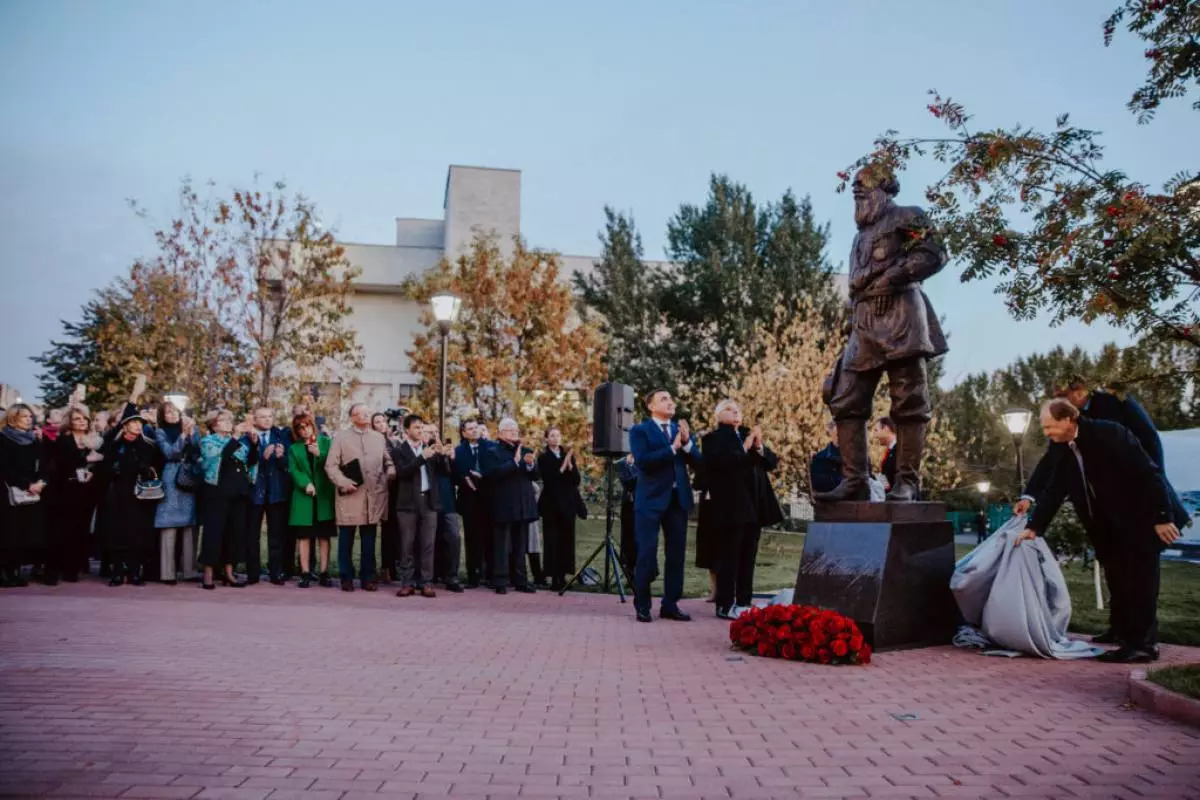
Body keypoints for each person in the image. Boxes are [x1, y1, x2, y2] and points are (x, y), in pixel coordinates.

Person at [1016, 375, 1188, 643]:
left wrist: (1162, 516)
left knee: (1140, 582)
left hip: (1141, 517)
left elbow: (1149, 473)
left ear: (1068, 419)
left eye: (1049, 427)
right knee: (1118, 579)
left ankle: (1141, 645)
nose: (1046, 434)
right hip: (1107, 524)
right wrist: (1034, 527)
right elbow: (1055, 490)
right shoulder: (1066, 449)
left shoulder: (1111, 431)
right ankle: (1120, 631)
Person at [815, 167, 948, 502]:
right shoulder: (860, 234)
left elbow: (934, 253)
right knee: (845, 399)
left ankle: (906, 482)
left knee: (909, 401)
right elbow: (856, 285)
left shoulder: (909, 215)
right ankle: (855, 481)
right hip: (864, 322)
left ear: (885, 187)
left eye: (865, 182)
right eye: (855, 184)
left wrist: (894, 276)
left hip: (901, 313)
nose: (857, 187)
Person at [701, 400, 782, 619]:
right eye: (729, 409)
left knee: (749, 556)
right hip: (731, 506)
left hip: (755, 506)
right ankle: (725, 604)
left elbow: (771, 462)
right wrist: (744, 448)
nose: (736, 412)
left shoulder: (748, 435)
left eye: (738, 409)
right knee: (729, 556)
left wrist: (759, 447)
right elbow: (723, 464)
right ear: (718, 415)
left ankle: (744, 602)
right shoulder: (712, 439)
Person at [629, 389, 700, 623]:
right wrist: (672, 449)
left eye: (671, 398)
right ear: (651, 406)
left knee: (676, 554)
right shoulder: (640, 431)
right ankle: (642, 604)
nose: (670, 402)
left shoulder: (681, 432)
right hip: (649, 501)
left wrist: (688, 444)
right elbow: (643, 462)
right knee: (647, 553)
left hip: (677, 500)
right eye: (663, 399)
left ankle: (670, 604)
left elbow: (699, 463)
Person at [325, 403, 395, 592]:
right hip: (350, 495)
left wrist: (391, 470)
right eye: (362, 413)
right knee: (346, 540)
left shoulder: (379, 438)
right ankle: (346, 577)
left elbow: (387, 460)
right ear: (352, 417)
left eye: (368, 412)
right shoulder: (341, 438)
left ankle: (368, 578)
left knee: (369, 541)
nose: (366, 415)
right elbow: (331, 466)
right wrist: (343, 482)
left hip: (373, 497)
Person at [98, 408, 162, 586]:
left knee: (138, 534)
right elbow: (104, 466)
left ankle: (134, 572)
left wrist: (144, 468)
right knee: (118, 533)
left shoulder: (148, 445)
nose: (138, 426)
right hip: (118, 493)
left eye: (140, 423)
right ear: (124, 426)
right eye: (133, 422)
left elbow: (155, 465)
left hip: (140, 494)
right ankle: (117, 571)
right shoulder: (115, 444)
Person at [481, 417, 539, 594]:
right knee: (501, 544)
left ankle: (520, 579)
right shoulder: (492, 451)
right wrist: (514, 462)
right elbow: (492, 474)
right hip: (503, 505)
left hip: (522, 505)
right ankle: (500, 580)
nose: (514, 433)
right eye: (509, 430)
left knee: (520, 544)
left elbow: (535, 475)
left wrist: (530, 465)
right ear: (500, 433)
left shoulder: (526, 450)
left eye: (515, 430)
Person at [197, 410, 254, 590]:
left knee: (234, 533)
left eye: (230, 419)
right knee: (213, 532)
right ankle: (208, 573)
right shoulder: (208, 441)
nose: (229, 422)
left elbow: (249, 461)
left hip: (238, 494)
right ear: (214, 424)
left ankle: (229, 572)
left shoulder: (238, 443)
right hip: (217, 493)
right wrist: (236, 437)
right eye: (224, 420)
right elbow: (221, 456)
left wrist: (255, 444)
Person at [48, 406, 102, 583]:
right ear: (69, 422)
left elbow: (101, 462)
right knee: (61, 531)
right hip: (64, 490)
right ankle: (54, 570)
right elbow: (62, 463)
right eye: (77, 419)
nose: (81, 422)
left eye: (84, 419)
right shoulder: (63, 440)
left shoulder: (93, 440)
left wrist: (92, 471)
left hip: (86, 491)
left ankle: (72, 569)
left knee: (80, 531)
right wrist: (85, 459)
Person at [0, 403, 48, 587]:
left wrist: (42, 482)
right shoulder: (3, 439)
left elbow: (42, 463)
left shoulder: (33, 439)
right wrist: (25, 484)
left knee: (25, 533)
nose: (29, 419)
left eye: (30, 416)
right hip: (9, 492)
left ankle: (17, 569)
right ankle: (6, 571)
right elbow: (4, 467)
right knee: (9, 533)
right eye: (24, 416)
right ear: (13, 418)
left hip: (32, 492)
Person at [392, 414, 440, 598]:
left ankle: (426, 582)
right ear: (407, 431)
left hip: (429, 500)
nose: (420, 431)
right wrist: (421, 457)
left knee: (428, 543)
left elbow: (443, 471)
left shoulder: (429, 449)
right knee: (407, 544)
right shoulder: (399, 450)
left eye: (421, 427)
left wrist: (445, 456)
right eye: (416, 428)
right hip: (407, 503)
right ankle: (407, 583)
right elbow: (403, 472)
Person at [153, 400, 199, 585]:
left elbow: (197, 450)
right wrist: (183, 435)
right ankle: (167, 572)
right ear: (162, 416)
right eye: (167, 412)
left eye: (175, 411)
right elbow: (170, 453)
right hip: (171, 478)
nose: (172, 415)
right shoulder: (160, 432)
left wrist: (192, 433)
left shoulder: (192, 429)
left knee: (190, 525)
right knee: (168, 524)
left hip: (189, 477)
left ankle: (189, 570)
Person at [243, 407, 291, 585]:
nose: (267, 420)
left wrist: (280, 457)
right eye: (262, 417)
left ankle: (275, 572)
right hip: (254, 492)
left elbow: (288, 464)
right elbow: (245, 463)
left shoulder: (281, 436)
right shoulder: (247, 437)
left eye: (270, 416)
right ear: (254, 420)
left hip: (276, 493)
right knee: (252, 535)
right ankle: (253, 573)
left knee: (276, 535)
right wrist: (262, 456)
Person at [287, 414, 335, 588]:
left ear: (313, 426)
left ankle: (323, 573)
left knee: (324, 537)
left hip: (323, 496)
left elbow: (331, 466)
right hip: (303, 498)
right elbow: (293, 470)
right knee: (304, 537)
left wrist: (319, 455)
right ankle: (305, 573)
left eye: (307, 426)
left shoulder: (326, 443)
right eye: (300, 427)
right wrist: (305, 483)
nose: (304, 430)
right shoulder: (294, 448)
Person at [538, 426, 584, 591]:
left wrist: (570, 467)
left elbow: (576, 480)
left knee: (566, 540)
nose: (556, 438)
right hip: (551, 505)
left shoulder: (568, 456)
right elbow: (550, 480)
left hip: (567, 504)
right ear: (546, 439)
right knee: (552, 540)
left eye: (558, 435)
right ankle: (553, 576)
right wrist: (563, 467)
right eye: (552, 435)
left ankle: (563, 575)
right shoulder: (543, 458)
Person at [425, 423, 462, 592]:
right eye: (429, 432)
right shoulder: (421, 451)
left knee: (453, 538)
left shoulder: (446, 452)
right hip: (427, 503)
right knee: (429, 541)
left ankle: (451, 576)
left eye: (435, 432)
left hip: (447, 503)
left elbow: (456, 476)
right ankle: (430, 576)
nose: (433, 434)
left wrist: (451, 459)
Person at [454, 420, 490, 588]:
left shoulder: (490, 447)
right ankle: (472, 574)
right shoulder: (459, 451)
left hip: (488, 498)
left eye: (476, 428)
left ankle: (489, 573)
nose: (474, 431)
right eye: (470, 429)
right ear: (464, 433)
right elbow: (455, 473)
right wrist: (465, 479)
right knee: (471, 537)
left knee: (489, 536)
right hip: (468, 499)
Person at [373, 412, 400, 583]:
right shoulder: (373, 441)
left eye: (383, 420)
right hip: (378, 488)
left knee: (392, 531)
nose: (381, 424)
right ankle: (384, 569)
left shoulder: (393, 441)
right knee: (382, 531)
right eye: (377, 421)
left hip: (395, 490)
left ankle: (391, 567)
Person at [809, 419, 843, 496]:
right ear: (831, 433)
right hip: (831, 504)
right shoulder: (820, 459)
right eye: (838, 435)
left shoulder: (859, 459)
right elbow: (818, 485)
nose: (841, 438)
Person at [874, 417, 897, 492]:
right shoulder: (890, 451)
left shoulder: (899, 450)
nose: (875, 436)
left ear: (886, 429)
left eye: (876, 430)